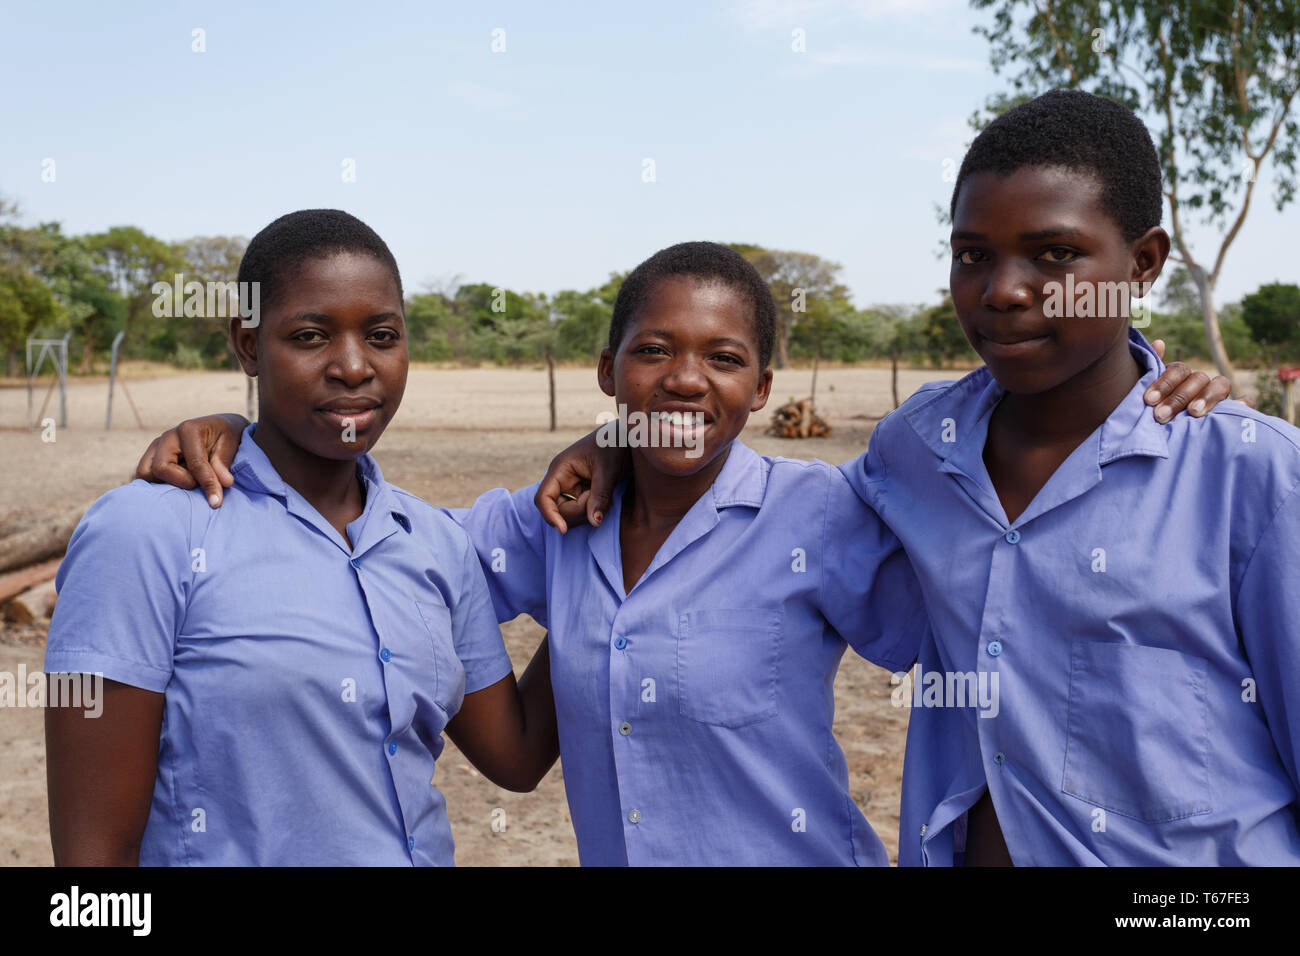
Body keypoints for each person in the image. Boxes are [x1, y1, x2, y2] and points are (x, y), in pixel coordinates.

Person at [136, 241, 1227, 866]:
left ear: (762, 385)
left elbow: (990, 614)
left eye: (724, 357)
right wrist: (245, 435)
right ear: (609, 371)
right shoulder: (550, 520)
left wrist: (1145, 384)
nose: (686, 379)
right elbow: (375, 560)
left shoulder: (825, 516)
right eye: (652, 351)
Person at [853, 90, 1300, 866]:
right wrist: (631, 450)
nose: (1004, 291)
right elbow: (766, 520)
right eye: (972, 255)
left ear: (1143, 264)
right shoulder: (916, 450)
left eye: (1056, 254)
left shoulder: (1251, 476)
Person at [45, 209, 558, 866]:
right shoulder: (145, 533)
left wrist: (605, 582)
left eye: (381, 335)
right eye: (311, 336)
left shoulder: (436, 544)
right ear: (249, 344)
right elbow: (92, 867)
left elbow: (515, 759)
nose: (353, 366)